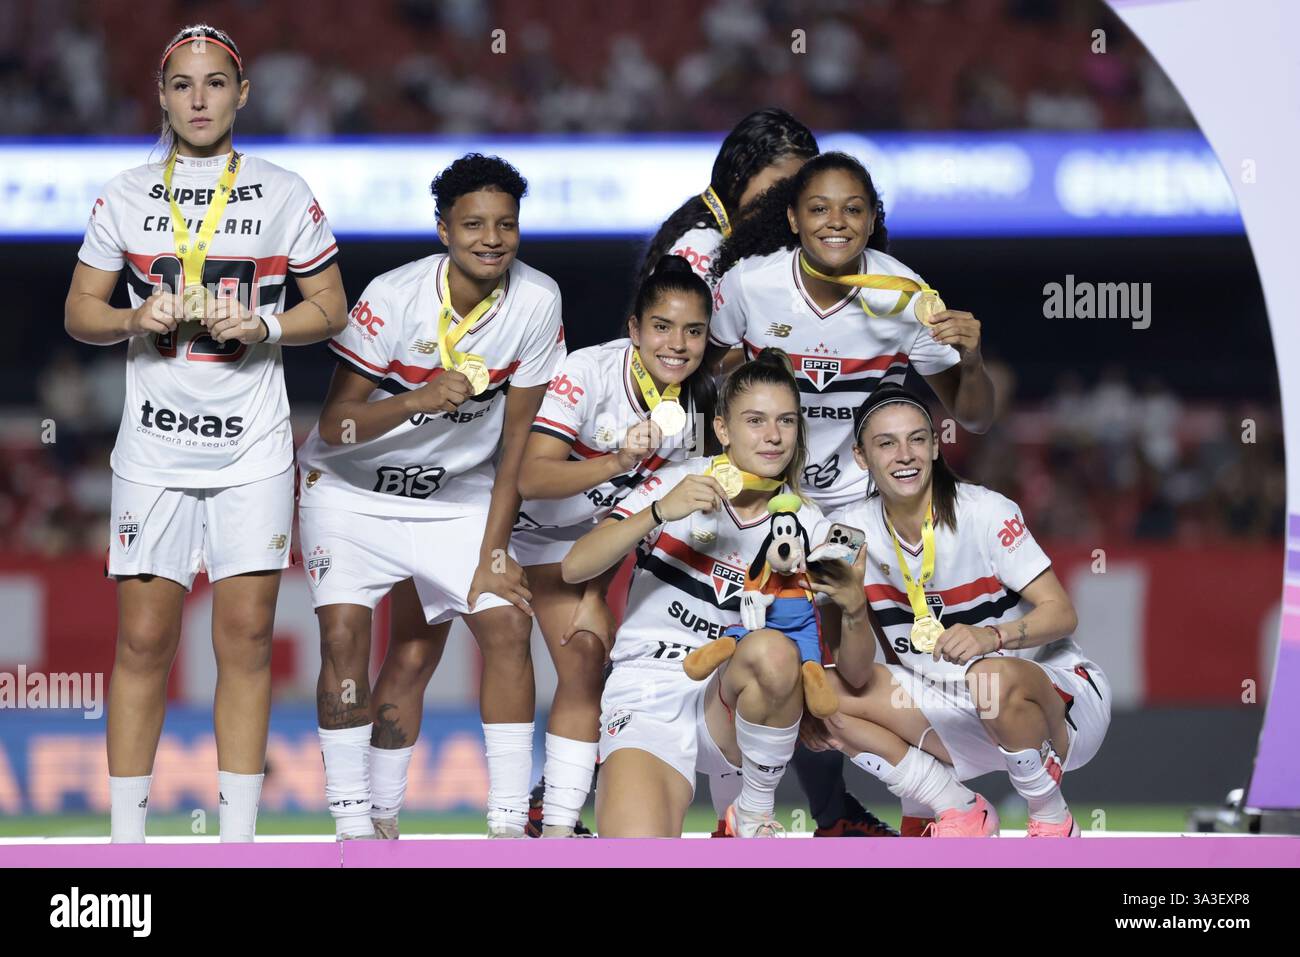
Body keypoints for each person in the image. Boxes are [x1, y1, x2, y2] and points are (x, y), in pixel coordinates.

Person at [64, 24, 347, 842]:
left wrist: (263, 327)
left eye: (215, 84)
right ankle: (125, 842)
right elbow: (80, 312)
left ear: (241, 94)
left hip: (251, 449)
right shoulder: (123, 192)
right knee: (145, 641)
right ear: (161, 95)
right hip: (153, 449)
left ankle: (238, 842)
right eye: (182, 84)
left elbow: (329, 308)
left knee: (249, 637)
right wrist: (131, 316)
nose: (198, 98)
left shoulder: (284, 189)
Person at [708, 149, 998, 837]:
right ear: (792, 218)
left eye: (853, 209)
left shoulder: (904, 293)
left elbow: (977, 412)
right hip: (770, 499)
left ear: (872, 220)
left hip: (852, 501)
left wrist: (974, 354)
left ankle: (922, 814)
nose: (836, 222)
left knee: (875, 664)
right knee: (767, 653)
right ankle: (775, 811)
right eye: (818, 208)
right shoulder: (749, 285)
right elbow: (713, 381)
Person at [295, 153, 565, 839]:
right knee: (345, 637)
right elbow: (336, 424)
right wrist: (417, 399)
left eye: (506, 223)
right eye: (473, 223)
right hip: (351, 492)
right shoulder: (392, 296)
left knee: (504, 625)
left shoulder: (538, 301)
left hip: (456, 497)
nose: (492, 238)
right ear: (443, 228)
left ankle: (507, 828)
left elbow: (520, 438)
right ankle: (359, 828)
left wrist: (497, 548)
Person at [561, 349, 856, 837]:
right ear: (722, 430)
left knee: (773, 651)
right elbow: (575, 567)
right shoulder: (679, 480)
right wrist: (658, 512)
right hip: (647, 691)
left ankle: (754, 812)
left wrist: (855, 607)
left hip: (732, 700)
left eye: (785, 421)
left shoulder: (810, 526)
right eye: (755, 420)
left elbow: (834, 645)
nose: (773, 435)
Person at [806, 386, 1110, 837]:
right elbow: (851, 673)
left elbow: (1062, 613)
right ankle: (960, 808)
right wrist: (852, 612)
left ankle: (1051, 817)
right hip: (951, 710)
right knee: (819, 696)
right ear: (861, 456)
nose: (904, 455)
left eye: (916, 439)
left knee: (989, 675)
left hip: (1054, 707)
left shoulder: (984, 511)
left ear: (934, 445)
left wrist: (994, 637)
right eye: (886, 443)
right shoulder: (846, 534)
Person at [513, 254, 717, 837]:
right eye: (662, 326)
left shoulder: (697, 406)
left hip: (593, 548)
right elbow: (532, 477)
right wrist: (619, 459)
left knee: (586, 664)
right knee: (569, 665)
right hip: (524, 536)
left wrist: (596, 593)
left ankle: (552, 820)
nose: (677, 344)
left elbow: (634, 510)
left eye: (694, 331)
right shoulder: (589, 372)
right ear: (634, 329)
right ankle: (544, 823)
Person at [637, 107, 818, 292]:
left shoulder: (740, 241)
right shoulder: (700, 247)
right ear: (742, 168)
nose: (788, 200)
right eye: (780, 184)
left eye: (797, 190)